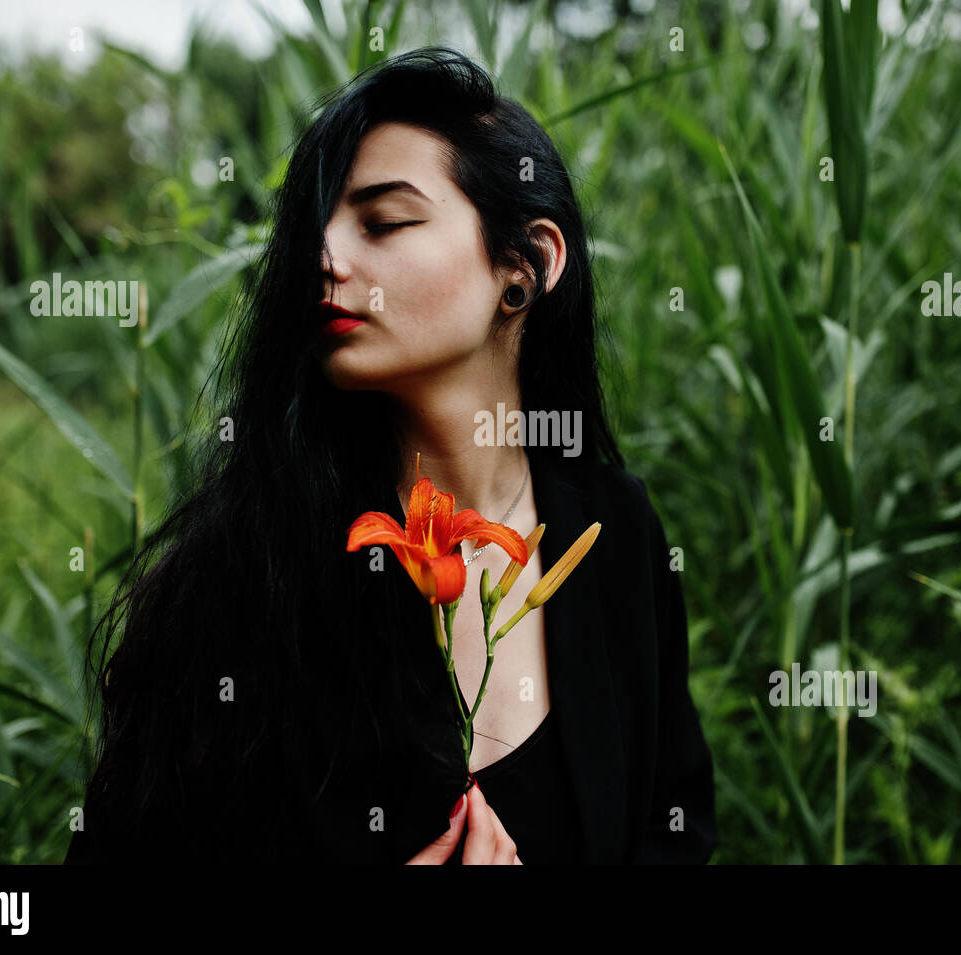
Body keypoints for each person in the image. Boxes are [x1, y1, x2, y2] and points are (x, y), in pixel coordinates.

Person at [65, 47, 715, 866]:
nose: (321, 259)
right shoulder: (243, 569)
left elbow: (677, 830)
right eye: (317, 229)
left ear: (526, 265)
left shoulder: (615, 533)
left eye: (384, 221)